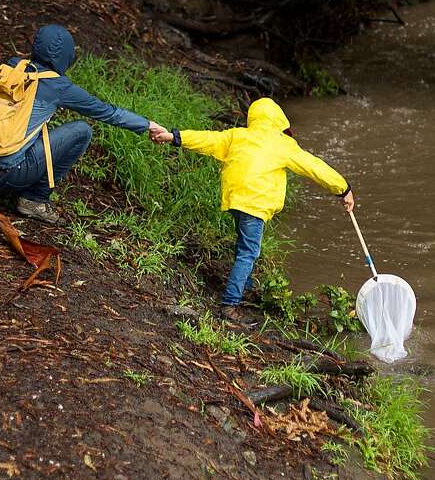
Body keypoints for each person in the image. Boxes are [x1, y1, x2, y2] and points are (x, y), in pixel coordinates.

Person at [151, 98, 354, 325]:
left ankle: (244, 288)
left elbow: (206, 139)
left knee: (245, 247)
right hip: (255, 204)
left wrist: (173, 136)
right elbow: (315, 167)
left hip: (236, 200)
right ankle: (230, 305)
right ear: (279, 119)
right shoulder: (283, 144)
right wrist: (343, 188)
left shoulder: (238, 135)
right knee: (248, 252)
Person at [0, 24, 168, 224]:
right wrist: (148, 125)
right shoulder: (59, 87)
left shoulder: (12, 65)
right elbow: (108, 113)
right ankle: (34, 200)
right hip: (2, 175)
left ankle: (15, 179)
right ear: (65, 56)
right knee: (81, 131)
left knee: (35, 127)